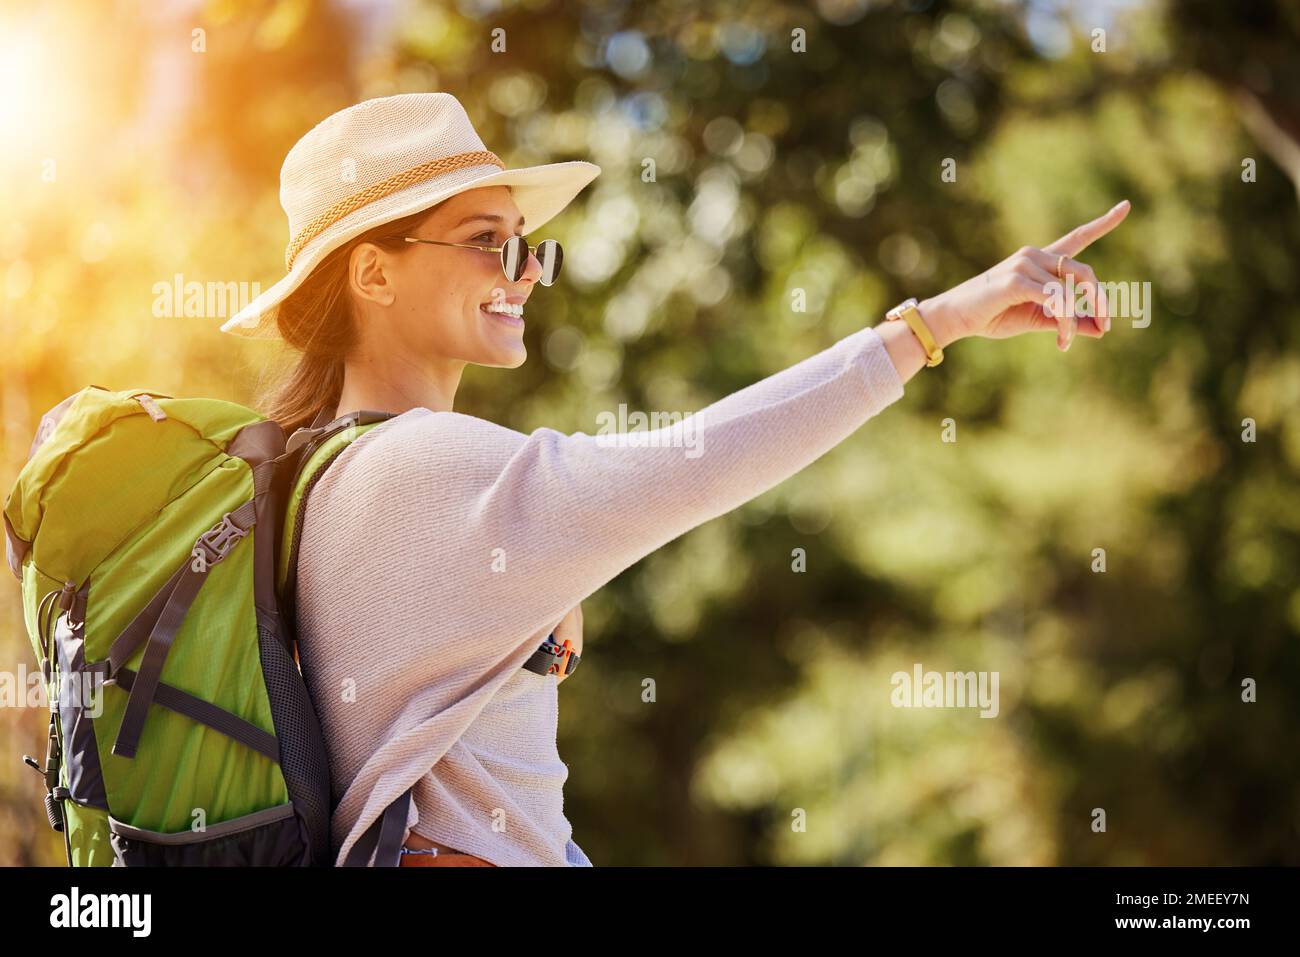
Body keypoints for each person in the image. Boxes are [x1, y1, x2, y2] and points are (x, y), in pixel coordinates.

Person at [221, 92, 1129, 866]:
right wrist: (935, 324)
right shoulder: (423, 467)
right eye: (485, 242)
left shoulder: (315, 472)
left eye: (529, 246)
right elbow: (708, 457)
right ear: (373, 272)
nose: (525, 274)